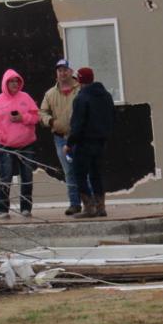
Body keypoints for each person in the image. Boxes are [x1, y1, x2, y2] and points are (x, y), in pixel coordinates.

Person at [0, 68, 40, 218]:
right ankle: (2, 209)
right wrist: (1, 137)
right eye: (12, 81)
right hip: (5, 146)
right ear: (5, 83)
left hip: (26, 144)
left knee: (27, 177)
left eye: (17, 81)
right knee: (6, 177)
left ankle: (26, 208)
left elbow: (36, 117)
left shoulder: (26, 97)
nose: (15, 84)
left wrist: (23, 118)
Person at [65, 67, 114, 218]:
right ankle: (101, 207)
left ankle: (89, 208)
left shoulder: (81, 98)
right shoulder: (106, 96)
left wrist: (69, 143)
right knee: (96, 174)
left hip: (84, 143)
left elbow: (77, 124)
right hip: (101, 142)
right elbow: (112, 117)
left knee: (80, 174)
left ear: (80, 80)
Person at [38, 59, 84, 215]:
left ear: (71, 71)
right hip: (60, 138)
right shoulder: (50, 94)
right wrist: (50, 121)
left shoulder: (81, 90)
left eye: (65, 70)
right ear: (56, 73)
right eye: (59, 70)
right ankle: (74, 204)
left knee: (84, 169)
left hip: (80, 137)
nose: (62, 73)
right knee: (69, 172)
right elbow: (42, 112)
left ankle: (90, 203)